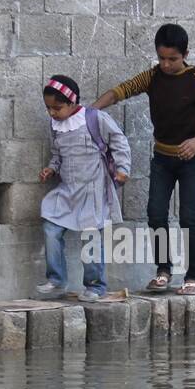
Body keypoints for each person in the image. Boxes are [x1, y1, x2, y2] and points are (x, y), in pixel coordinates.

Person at [91, 23, 195, 296]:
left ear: (185, 54)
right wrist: (90, 111)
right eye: (161, 58)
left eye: (172, 59)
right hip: (162, 158)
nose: (166, 64)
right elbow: (121, 90)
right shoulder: (152, 78)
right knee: (155, 213)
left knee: (188, 217)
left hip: (193, 160)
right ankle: (163, 270)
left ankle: (194, 276)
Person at [37, 74, 130, 301]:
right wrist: (51, 168)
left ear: (72, 102)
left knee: (91, 239)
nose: (52, 113)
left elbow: (119, 141)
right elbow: (57, 153)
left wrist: (123, 169)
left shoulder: (95, 118)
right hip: (68, 189)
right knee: (51, 227)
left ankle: (95, 286)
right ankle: (57, 279)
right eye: (48, 108)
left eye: (57, 108)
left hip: (92, 189)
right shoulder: (55, 125)